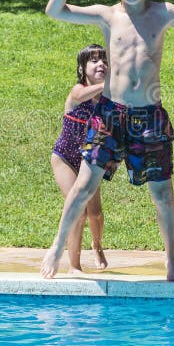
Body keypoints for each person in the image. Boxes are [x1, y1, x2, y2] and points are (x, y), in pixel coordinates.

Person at [41, 0, 174, 281]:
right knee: (83, 186)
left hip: (149, 117)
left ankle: (171, 260)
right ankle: (56, 248)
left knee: (162, 193)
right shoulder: (107, 16)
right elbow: (55, 11)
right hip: (110, 115)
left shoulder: (164, 13)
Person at [51, 44, 110, 273]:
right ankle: (74, 266)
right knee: (77, 209)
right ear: (82, 67)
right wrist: (112, 82)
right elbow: (83, 94)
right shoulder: (78, 91)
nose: (101, 64)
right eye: (94, 61)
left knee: (95, 213)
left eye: (104, 60)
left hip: (91, 160)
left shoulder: (107, 100)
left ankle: (96, 245)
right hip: (65, 157)